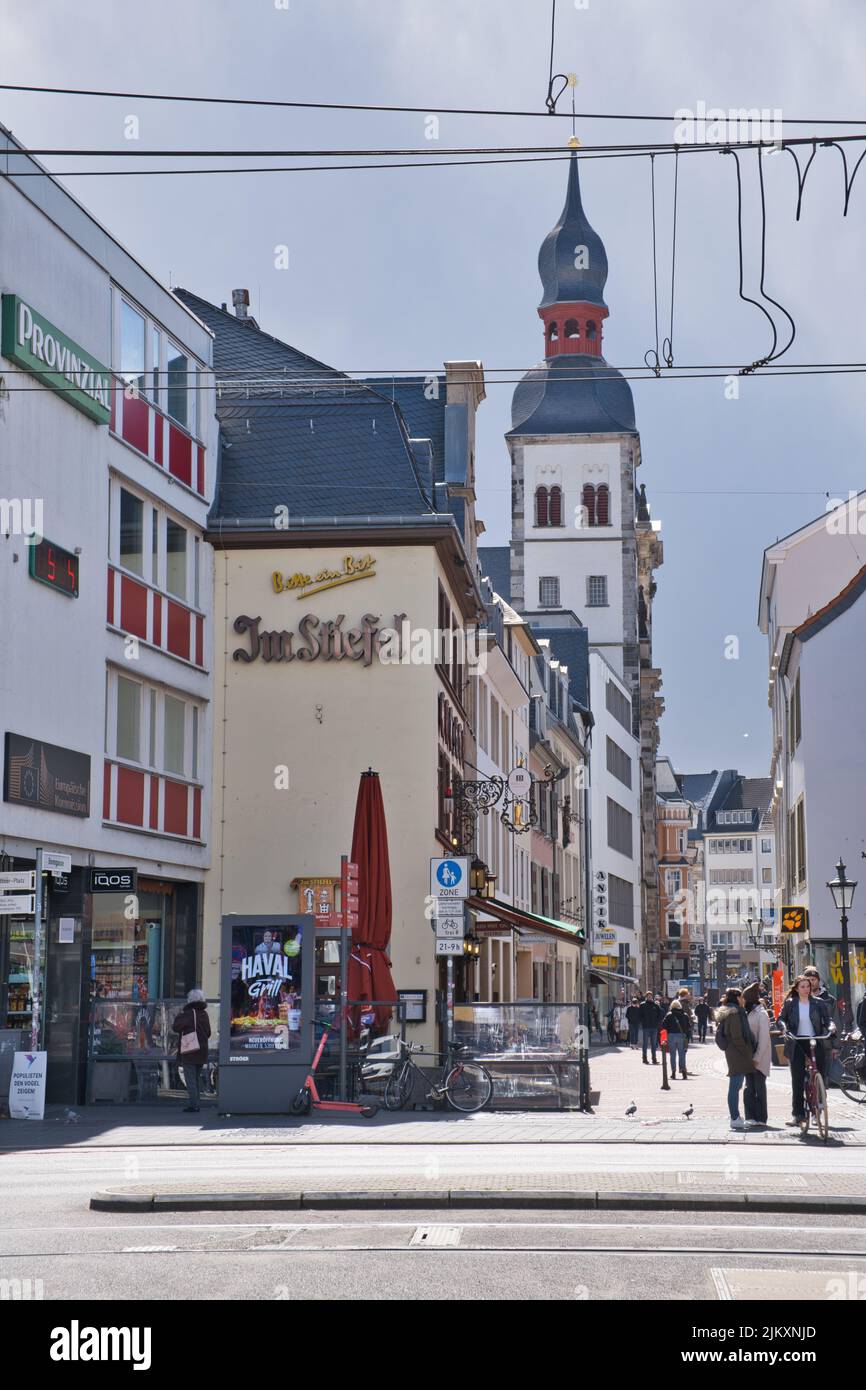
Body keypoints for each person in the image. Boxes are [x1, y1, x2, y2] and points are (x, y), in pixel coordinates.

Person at [777, 975, 833, 1129]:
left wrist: (831, 1027)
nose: (806, 989)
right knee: (797, 1078)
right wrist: (784, 1028)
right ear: (796, 989)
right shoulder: (790, 1004)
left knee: (820, 1072)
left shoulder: (818, 1003)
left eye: (807, 986)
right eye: (802, 986)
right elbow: (781, 1019)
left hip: (815, 1039)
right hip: (796, 1041)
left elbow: (828, 1020)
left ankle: (817, 1111)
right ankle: (797, 1114)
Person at [715, 987, 755, 1130]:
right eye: (742, 996)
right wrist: (746, 1052)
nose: (744, 999)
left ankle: (735, 1116)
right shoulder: (735, 1013)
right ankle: (734, 1117)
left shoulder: (732, 1011)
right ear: (737, 998)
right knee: (735, 1085)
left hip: (734, 1051)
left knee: (736, 1085)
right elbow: (737, 1036)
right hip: (737, 1052)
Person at [172, 988, 212, 1113]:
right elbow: (209, 1033)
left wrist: (180, 1014)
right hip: (202, 1051)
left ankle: (194, 1105)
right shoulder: (204, 1014)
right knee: (195, 1077)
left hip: (190, 1051)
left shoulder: (188, 1013)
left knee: (190, 1079)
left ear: (190, 1000)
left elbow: (176, 1027)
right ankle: (197, 1102)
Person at [743, 982, 771, 1127]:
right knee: (749, 1087)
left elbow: (764, 1039)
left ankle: (761, 1118)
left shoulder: (761, 1014)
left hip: (760, 1057)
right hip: (748, 1057)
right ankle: (750, 1116)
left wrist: (757, 1058)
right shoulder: (747, 1012)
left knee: (759, 1087)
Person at [660, 998, 691, 1079]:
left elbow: (663, 1026)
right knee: (682, 1055)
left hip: (671, 1036)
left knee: (672, 1055)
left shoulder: (669, 1015)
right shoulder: (684, 1015)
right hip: (682, 1036)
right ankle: (683, 1071)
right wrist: (687, 1038)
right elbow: (688, 1027)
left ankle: (673, 1072)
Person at [638, 992, 662, 1064]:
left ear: (652, 997)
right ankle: (644, 1058)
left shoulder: (655, 1005)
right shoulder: (642, 1005)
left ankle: (654, 1059)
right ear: (646, 997)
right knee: (645, 1043)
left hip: (654, 1027)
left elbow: (660, 1015)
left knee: (654, 1044)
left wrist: (657, 1023)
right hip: (646, 1027)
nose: (649, 997)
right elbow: (640, 1015)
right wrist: (643, 1022)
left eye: (651, 996)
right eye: (648, 996)